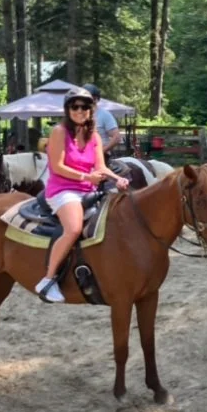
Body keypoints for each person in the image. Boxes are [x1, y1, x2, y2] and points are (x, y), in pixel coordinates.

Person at [35, 87, 130, 303]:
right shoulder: (59, 132)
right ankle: (48, 280)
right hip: (63, 189)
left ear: (91, 109)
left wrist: (118, 179)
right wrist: (86, 178)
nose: (80, 110)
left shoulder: (94, 135)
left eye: (85, 106)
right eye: (75, 106)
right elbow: (57, 167)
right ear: (67, 109)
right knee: (74, 228)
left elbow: (100, 166)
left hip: (88, 189)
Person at [82, 83, 122, 155]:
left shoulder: (104, 114)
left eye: (90, 98)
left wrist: (101, 151)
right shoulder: (78, 115)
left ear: (96, 99)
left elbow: (116, 137)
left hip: (101, 155)